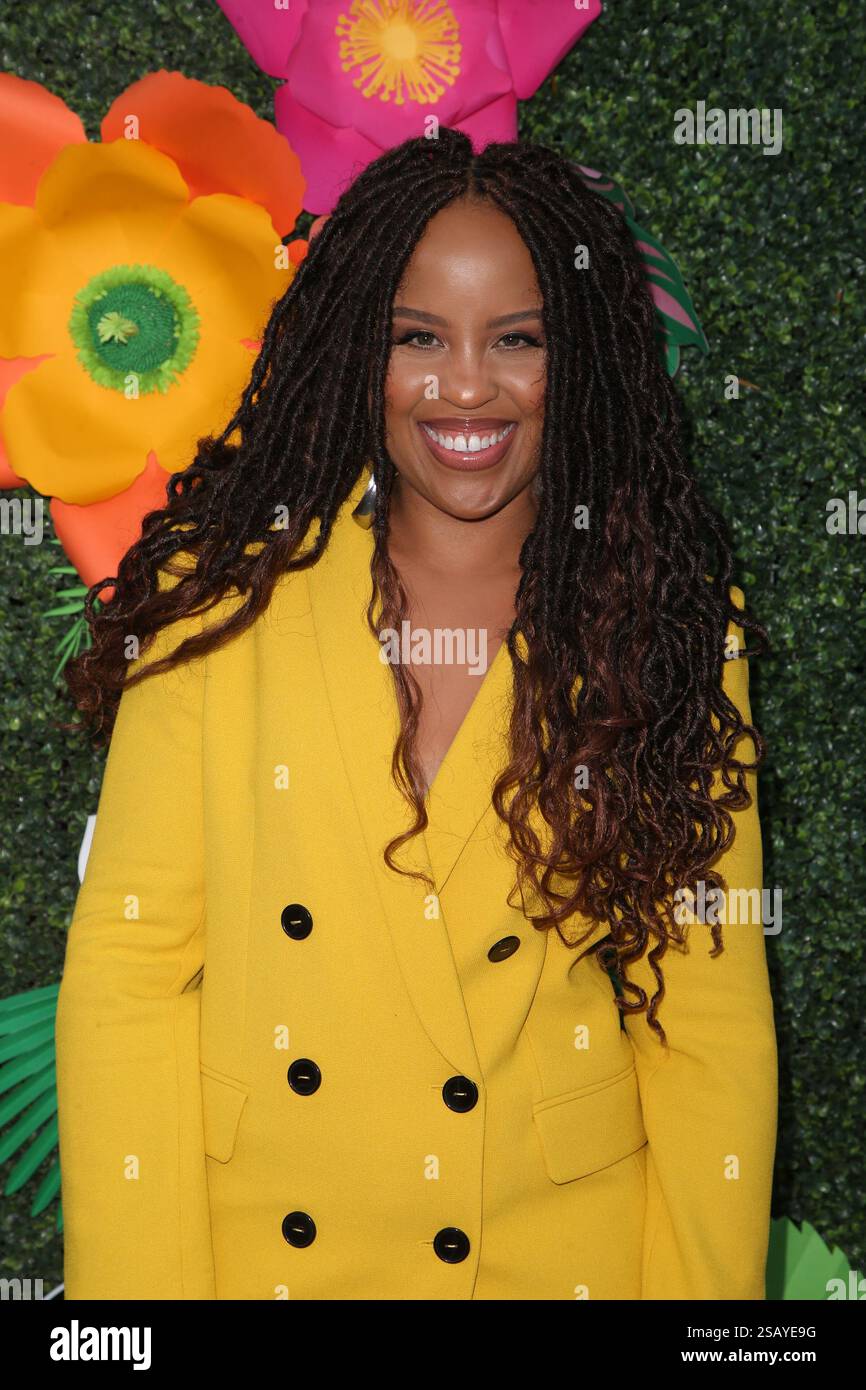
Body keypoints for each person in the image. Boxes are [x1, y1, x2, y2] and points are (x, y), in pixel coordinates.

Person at [55, 128, 778, 1301]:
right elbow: (129, 980)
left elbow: (706, 1020)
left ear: (577, 357)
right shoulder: (216, 603)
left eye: (517, 340)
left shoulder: (668, 621)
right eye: (418, 339)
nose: (465, 387)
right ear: (358, 352)